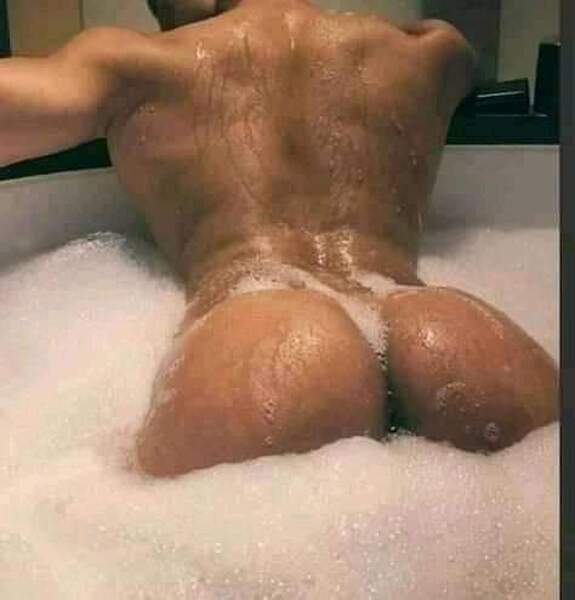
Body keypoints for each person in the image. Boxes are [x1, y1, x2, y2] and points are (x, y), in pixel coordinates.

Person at [0, 0, 557, 477]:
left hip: (260, 331)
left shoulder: (134, 64)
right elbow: (464, 69)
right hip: (454, 331)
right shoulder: (430, 51)